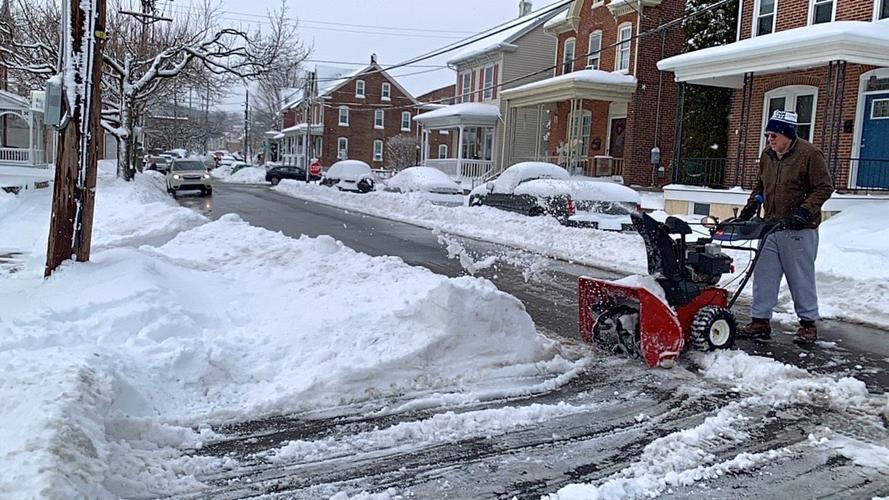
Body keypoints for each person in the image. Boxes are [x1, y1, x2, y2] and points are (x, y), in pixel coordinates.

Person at [737, 110, 833, 344]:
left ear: (787, 135)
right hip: (771, 225)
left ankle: (808, 324)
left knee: (800, 277)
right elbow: (760, 185)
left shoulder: (809, 154)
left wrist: (804, 211)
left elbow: (824, 187)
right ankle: (760, 321)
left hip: (800, 228)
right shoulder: (767, 155)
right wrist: (751, 207)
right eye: (768, 135)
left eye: (774, 135)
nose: (770, 140)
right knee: (764, 275)